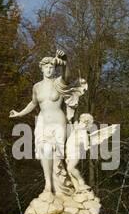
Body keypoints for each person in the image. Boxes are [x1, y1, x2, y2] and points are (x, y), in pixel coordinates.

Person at [10, 51, 87, 198]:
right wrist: (19, 113)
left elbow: (66, 75)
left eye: (52, 67)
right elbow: (33, 103)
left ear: (55, 68)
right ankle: (48, 184)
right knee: (45, 150)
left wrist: (64, 62)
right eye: (47, 67)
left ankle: (63, 189)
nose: (49, 70)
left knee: (57, 157)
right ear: (42, 69)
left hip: (58, 122)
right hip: (43, 122)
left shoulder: (59, 83)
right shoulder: (37, 87)